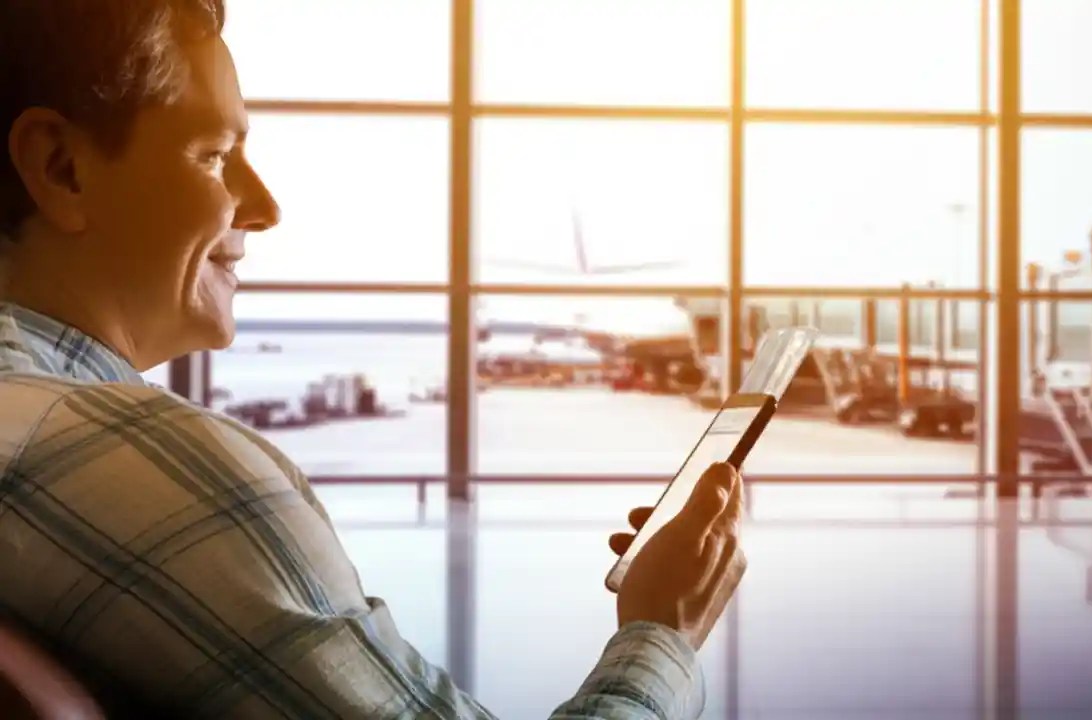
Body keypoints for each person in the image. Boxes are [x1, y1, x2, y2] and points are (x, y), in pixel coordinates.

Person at [0, 2, 747, 717]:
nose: (263, 206)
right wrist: (662, 632)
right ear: (62, 167)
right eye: (216, 155)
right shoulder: (134, 463)